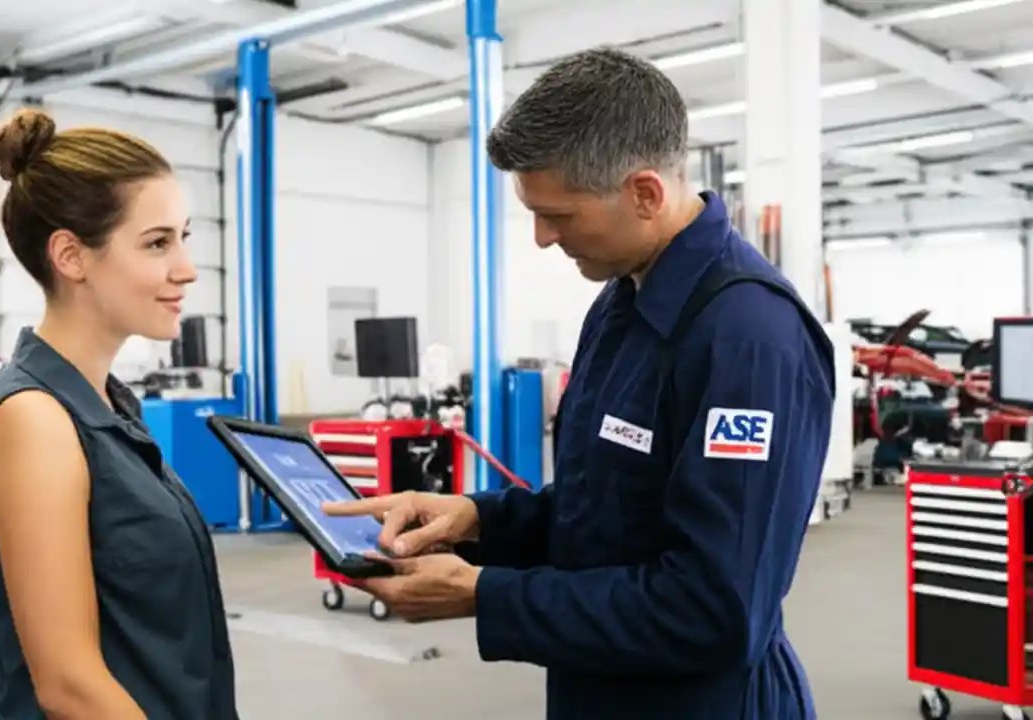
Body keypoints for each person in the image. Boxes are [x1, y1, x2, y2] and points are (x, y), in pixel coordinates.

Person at [323, 46, 835, 720]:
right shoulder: (623, 301)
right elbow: (609, 510)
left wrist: (486, 594)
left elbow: (714, 611)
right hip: (604, 688)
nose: (541, 238)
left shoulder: (747, 337)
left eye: (559, 216)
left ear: (645, 193)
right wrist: (477, 519)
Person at [0, 108, 239, 720]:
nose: (186, 268)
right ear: (71, 255)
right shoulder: (36, 421)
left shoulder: (107, 407)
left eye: (183, 238)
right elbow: (70, 688)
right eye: (157, 243)